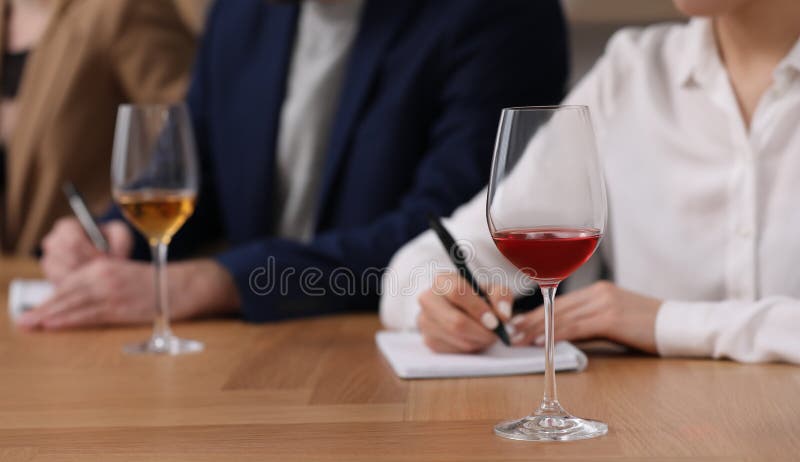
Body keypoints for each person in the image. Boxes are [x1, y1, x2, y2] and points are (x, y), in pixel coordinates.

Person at [19, 0, 569, 329]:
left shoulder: (500, 14)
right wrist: (119, 235)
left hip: (421, 360)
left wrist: (218, 282)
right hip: (252, 358)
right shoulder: (243, 12)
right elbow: (197, 175)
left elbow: (446, 236)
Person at [379, 0, 800, 364]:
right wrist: (438, 306)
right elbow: (428, 258)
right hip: (651, 445)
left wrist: (664, 322)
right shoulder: (630, 74)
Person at [0, 0, 204, 256]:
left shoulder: (124, 9)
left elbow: (192, 140)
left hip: (94, 267)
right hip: (13, 286)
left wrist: (123, 233)